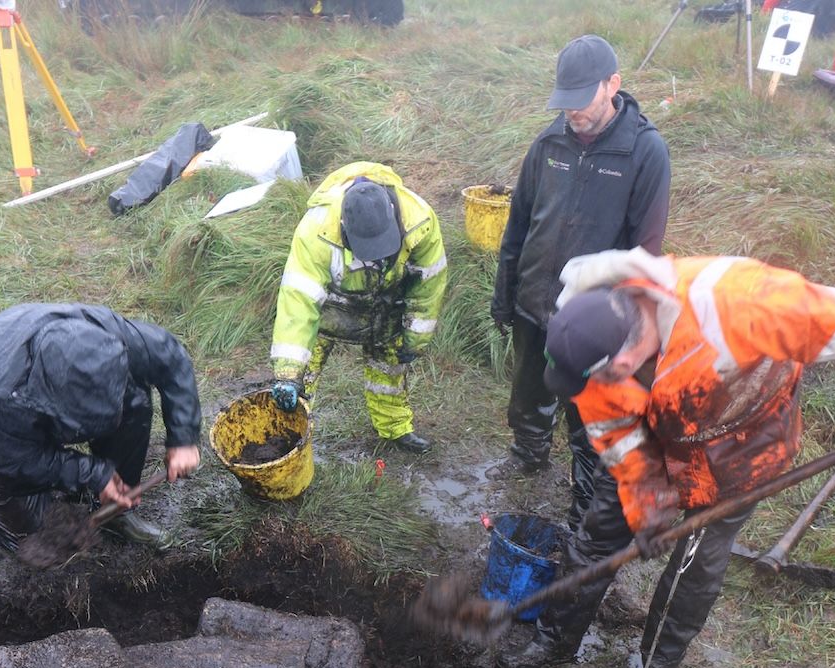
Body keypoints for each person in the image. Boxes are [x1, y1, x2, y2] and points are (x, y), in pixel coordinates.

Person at [495, 249, 835, 668]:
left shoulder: (737, 305)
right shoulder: (586, 354)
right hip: (658, 441)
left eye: (598, 378)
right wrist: (649, 509)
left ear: (622, 356)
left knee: (697, 562)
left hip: (739, 448)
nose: (590, 392)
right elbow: (621, 442)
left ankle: (657, 665)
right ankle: (555, 639)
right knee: (596, 538)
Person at [492, 34, 671, 486]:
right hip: (534, 303)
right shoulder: (549, 144)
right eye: (564, 100)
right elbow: (518, 226)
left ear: (613, 84)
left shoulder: (645, 152)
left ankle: (586, 497)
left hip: (592, 320)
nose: (572, 111)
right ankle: (528, 453)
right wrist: (506, 293)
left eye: (581, 99)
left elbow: (645, 253)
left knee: (588, 417)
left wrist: (630, 328)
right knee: (529, 393)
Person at [0, 303, 202, 553]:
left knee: (134, 401)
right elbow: (17, 461)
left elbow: (171, 360)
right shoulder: (5, 400)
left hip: (42, 371)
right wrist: (93, 472)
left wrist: (183, 437)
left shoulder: (113, 338)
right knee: (26, 527)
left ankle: (116, 503)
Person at [268, 161, 449, 453]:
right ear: (344, 227)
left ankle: (395, 429)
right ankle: (289, 437)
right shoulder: (316, 232)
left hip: (386, 305)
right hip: (331, 309)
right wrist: (287, 374)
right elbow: (298, 301)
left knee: (389, 372)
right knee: (301, 380)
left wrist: (415, 339)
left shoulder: (420, 220)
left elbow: (429, 284)